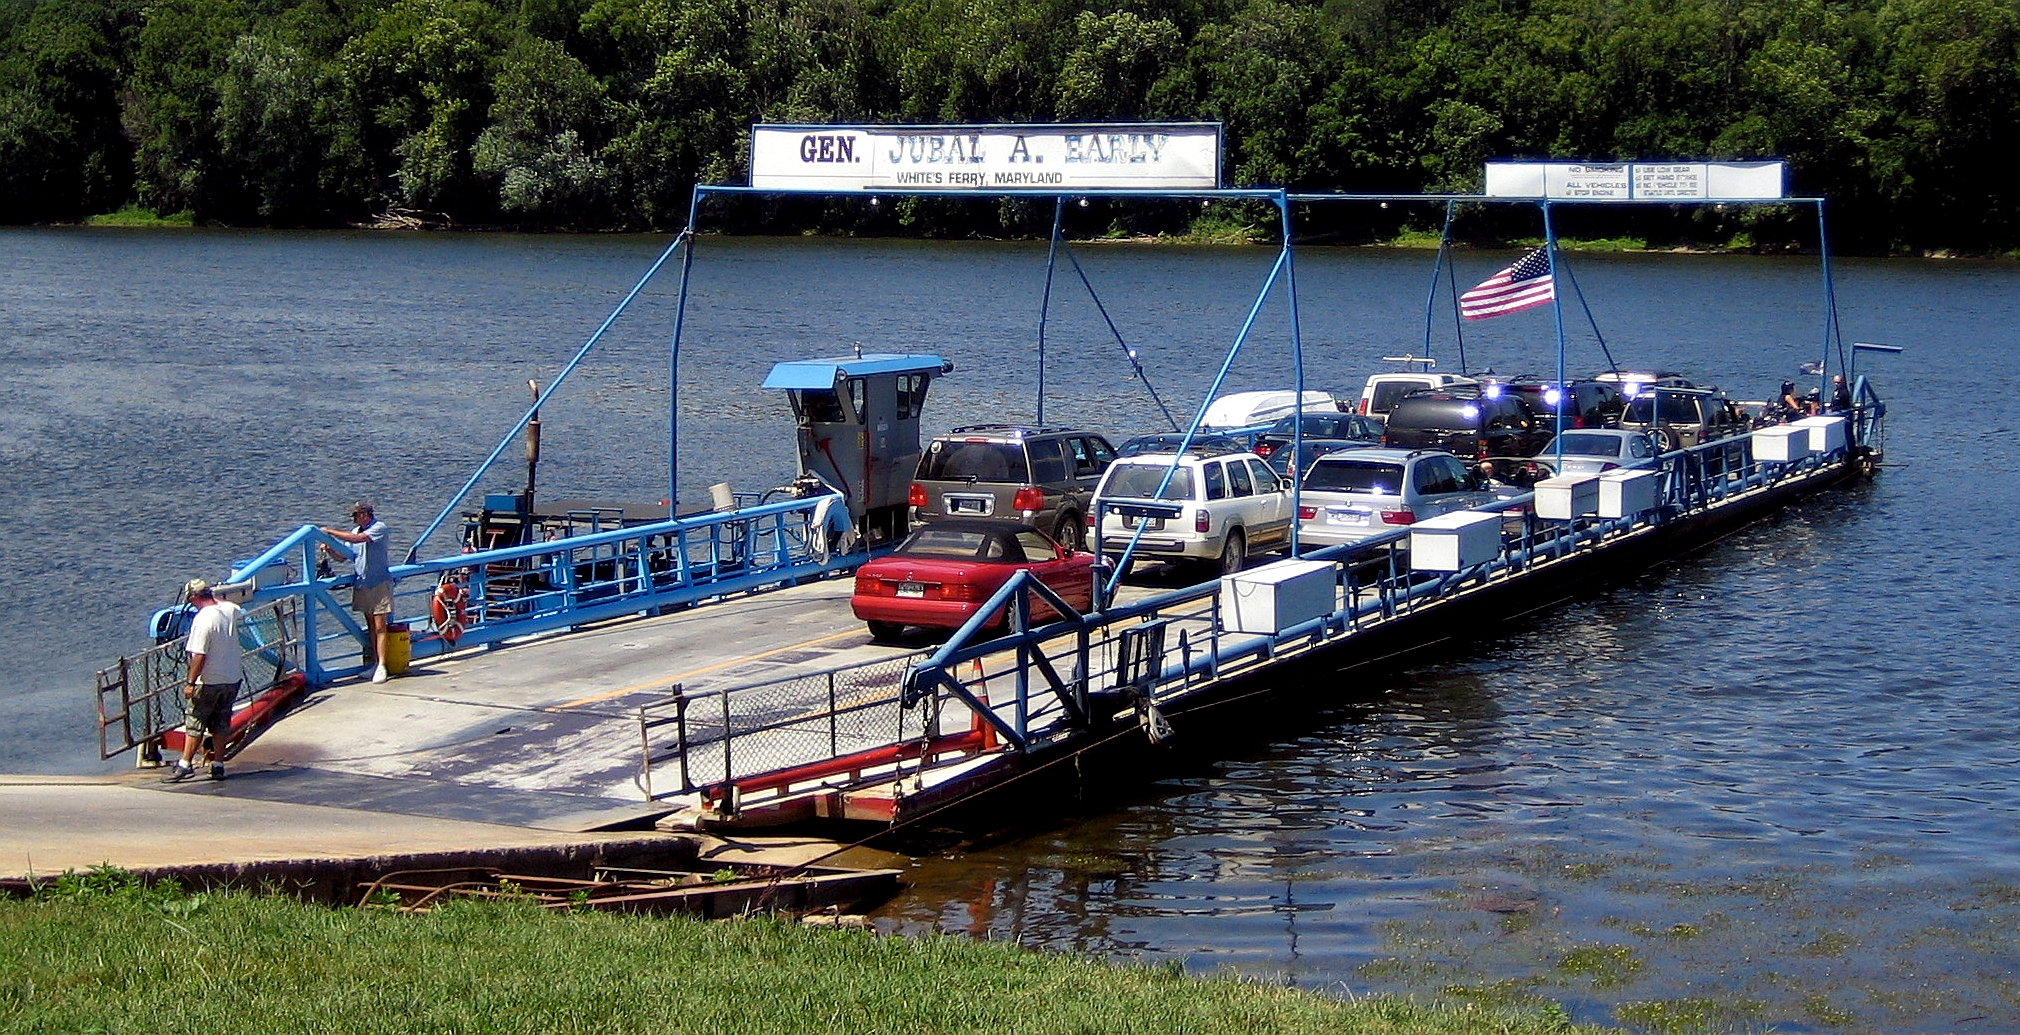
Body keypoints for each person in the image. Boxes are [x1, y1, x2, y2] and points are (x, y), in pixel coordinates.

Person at [163, 579, 244, 782]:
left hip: (208, 681)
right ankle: (218, 765)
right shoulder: (230, 609)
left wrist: (190, 683)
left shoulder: (202, 620)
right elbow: (229, 605)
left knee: (195, 721)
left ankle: (184, 765)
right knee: (221, 722)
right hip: (232, 677)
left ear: (194, 597)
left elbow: (199, 656)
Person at [321, 500, 394, 683]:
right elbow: (344, 557)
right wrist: (329, 549)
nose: (353, 518)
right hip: (362, 583)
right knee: (370, 625)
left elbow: (360, 540)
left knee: (380, 626)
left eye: (355, 514)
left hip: (379, 582)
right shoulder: (355, 532)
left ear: (364, 514)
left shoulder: (379, 528)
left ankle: (383, 665)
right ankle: (375, 663)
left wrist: (330, 531)